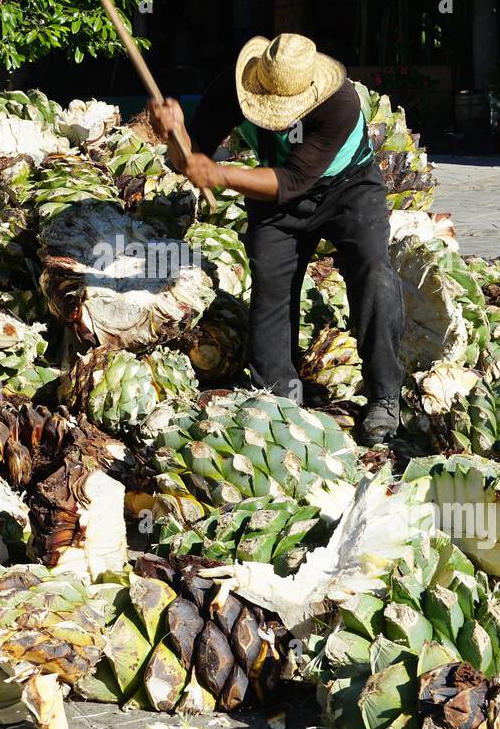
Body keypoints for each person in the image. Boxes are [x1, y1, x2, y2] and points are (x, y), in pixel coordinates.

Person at [148, 32, 405, 446]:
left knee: (374, 272)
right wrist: (171, 133)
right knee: (271, 286)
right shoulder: (232, 89)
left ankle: (385, 394)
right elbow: (189, 159)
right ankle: (279, 400)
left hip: (347, 189)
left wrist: (224, 176)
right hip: (276, 199)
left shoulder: (339, 102)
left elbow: (293, 180)